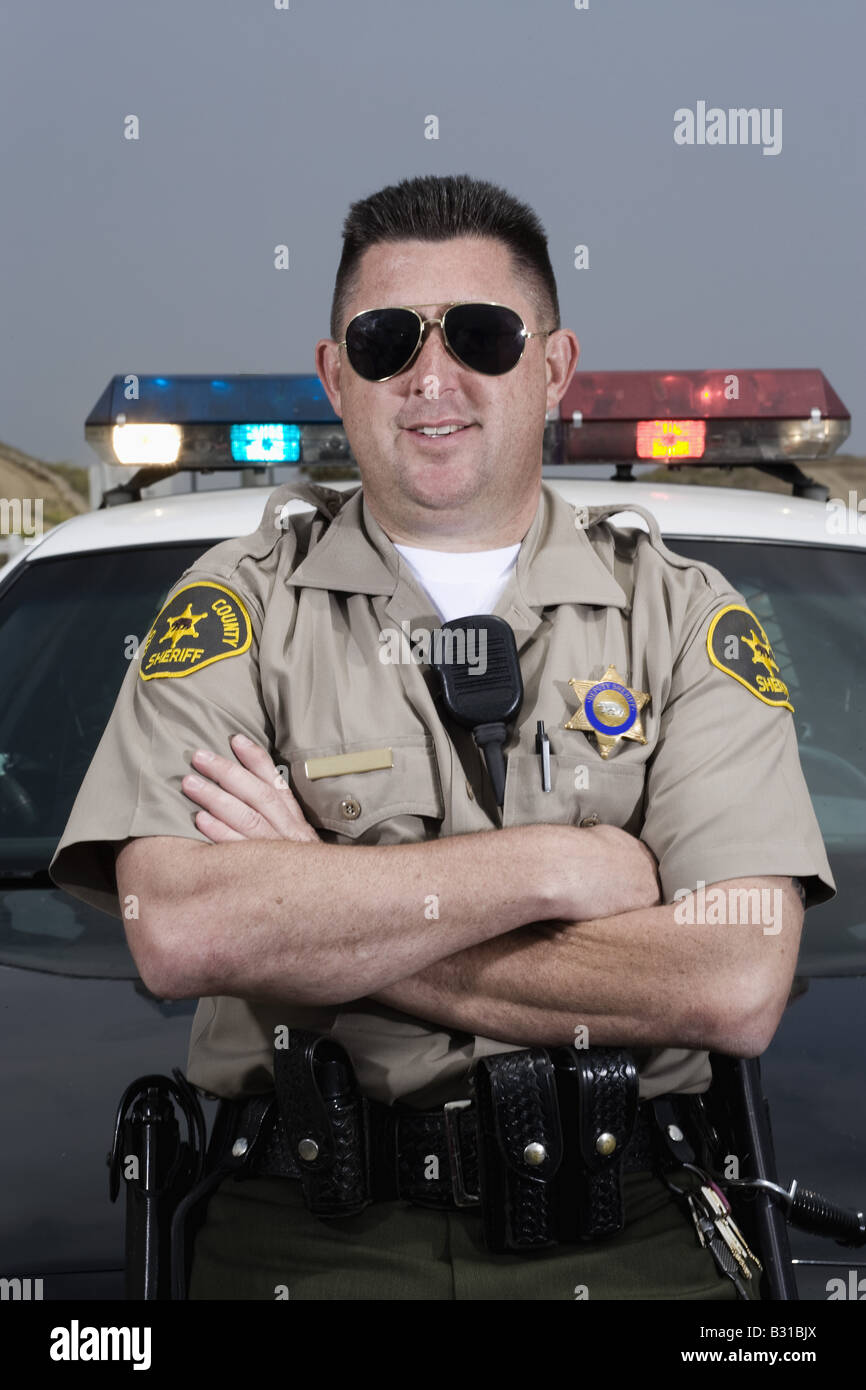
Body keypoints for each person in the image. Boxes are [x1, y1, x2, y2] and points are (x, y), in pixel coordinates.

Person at [49, 173, 835, 1301]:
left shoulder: (682, 616)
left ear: (552, 364)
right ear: (337, 374)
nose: (431, 375)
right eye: (382, 340)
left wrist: (312, 902)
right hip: (303, 1238)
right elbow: (176, 927)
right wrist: (563, 868)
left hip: (627, 1240)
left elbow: (732, 978)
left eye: (480, 333)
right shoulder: (236, 605)